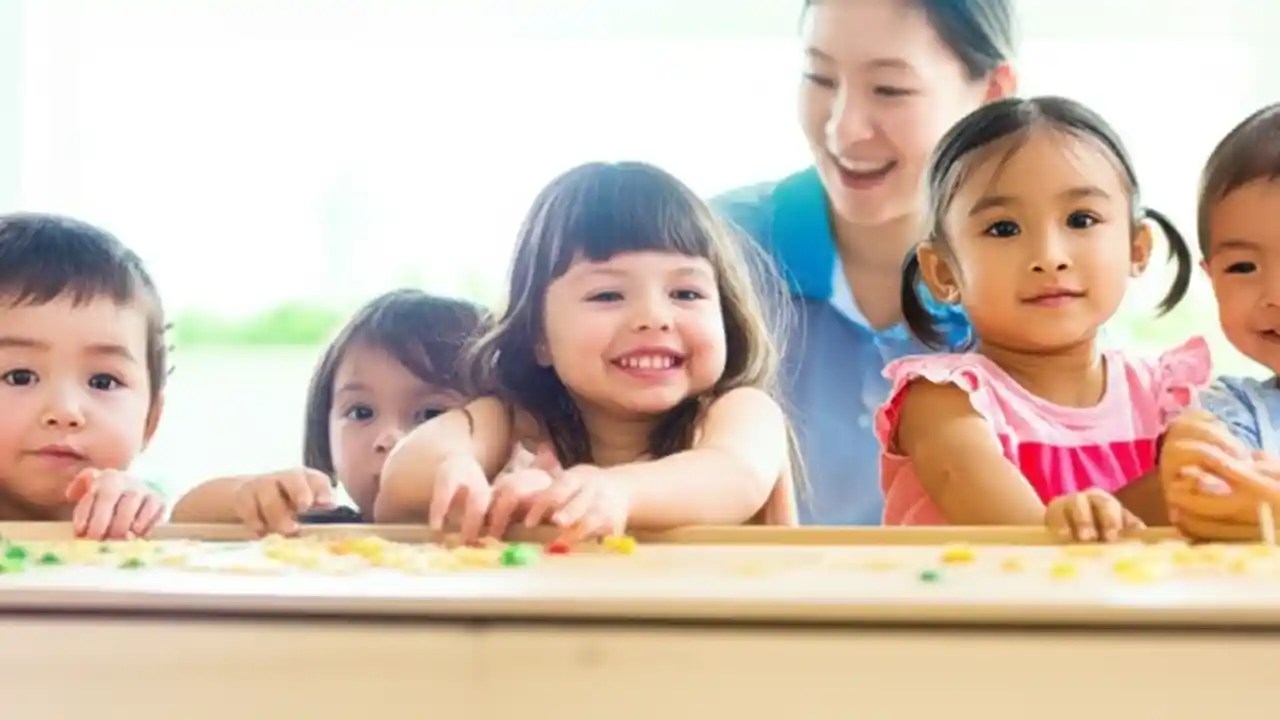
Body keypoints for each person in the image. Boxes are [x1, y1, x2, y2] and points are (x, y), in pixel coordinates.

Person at [375, 161, 799, 543]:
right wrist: (456, 469)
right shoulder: (514, 424)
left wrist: (618, 491)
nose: (654, 317)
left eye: (686, 293)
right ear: (539, 335)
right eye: (608, 295)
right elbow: (402, 477)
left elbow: (736, 476)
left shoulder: (739, 413)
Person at [711, 0, 1017, 524]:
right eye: (820, 78)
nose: (843, 128)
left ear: (991, 95)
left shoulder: (1038, 276)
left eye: (889, 89)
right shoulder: (713, 254)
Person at [874, 96, 1205, 536]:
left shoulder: (1165, 396)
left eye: (1081, 220)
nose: (1049, 257)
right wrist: (1169, 489)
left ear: (1137, 248)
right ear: (943, 271)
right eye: (1003, 228)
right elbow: (1029, 549)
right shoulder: (941, 401)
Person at [171, 289, 489, 536]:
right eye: (361, 412)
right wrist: (254, 496)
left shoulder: (505, 528)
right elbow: (186, 514)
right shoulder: (320, 528)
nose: (387, 438)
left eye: (430, 415)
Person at [1153, 103, 1280, 541]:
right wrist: (1191, 467)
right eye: (1243, 267)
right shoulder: (1234, 412)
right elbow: (1207, 506)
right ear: (1211, 278)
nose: (1275, 295)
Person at [0, 212, 169, 539]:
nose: (65, 411)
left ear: (151, 419)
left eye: (103, 382)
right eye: (19, 377)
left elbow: (215, 514)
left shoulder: (143, 517)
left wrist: (249, 498)